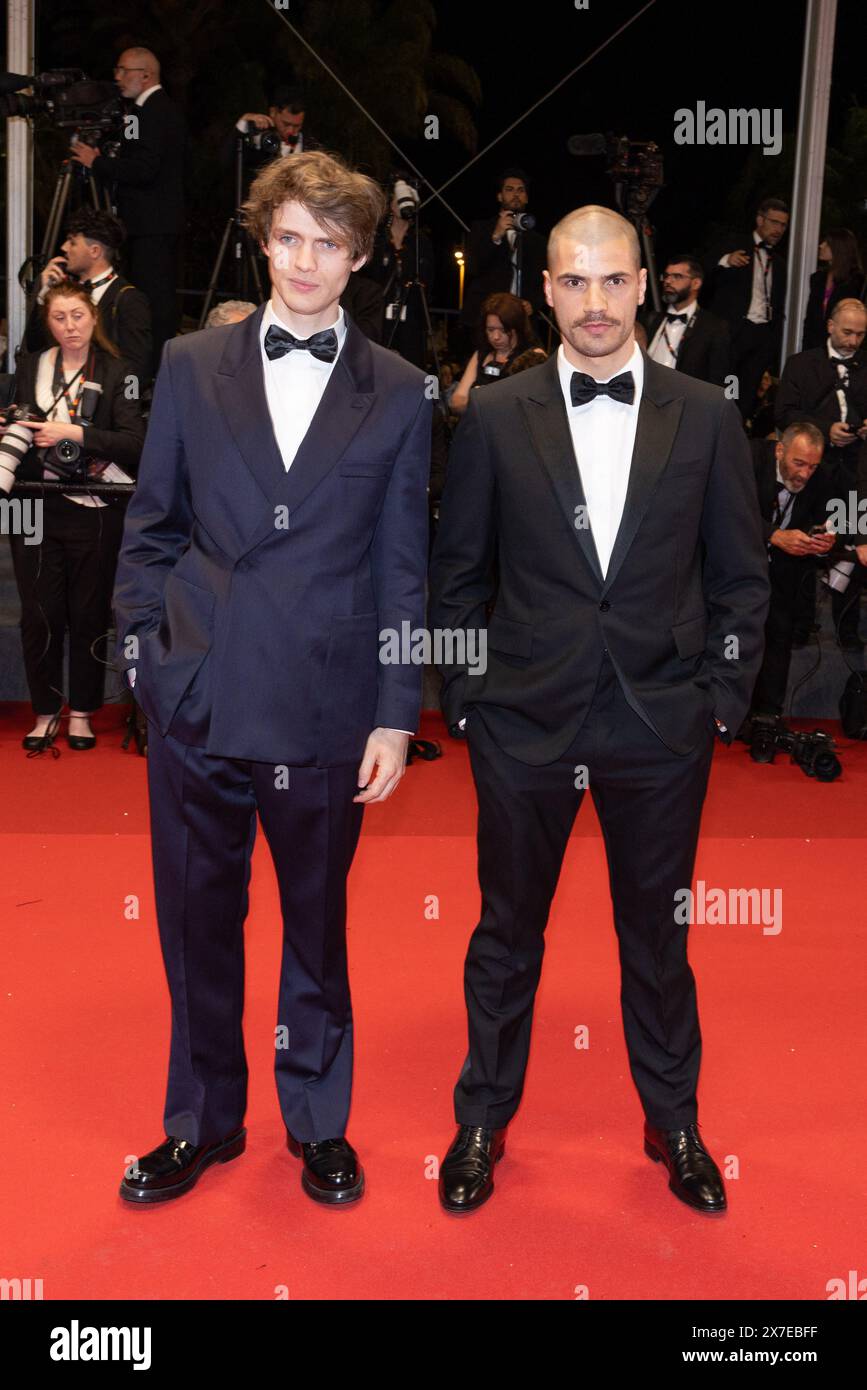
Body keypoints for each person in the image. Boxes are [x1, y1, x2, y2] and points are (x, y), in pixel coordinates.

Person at [429, 204, 770, 1217]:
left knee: (657, 943)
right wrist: (469, 703)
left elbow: (743, 578)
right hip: (524, 723)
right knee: (505, 934)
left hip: (661, 726)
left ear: (645, 284)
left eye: (611, 280)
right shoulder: (495, 413)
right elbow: (458, 578)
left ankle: (674, 1122)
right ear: (545, 288)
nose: (593, 301)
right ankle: (483, 1117)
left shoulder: (706, 414)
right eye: (572, 281)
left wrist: (721, 700)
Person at [111, 150, 431, 1208]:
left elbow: (402, 566)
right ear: (263, 239)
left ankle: (316, 1122)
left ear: (359, 258)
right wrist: (144, 655)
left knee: (315, 926)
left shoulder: (398, 391)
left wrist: (395, 710)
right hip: (199, 696)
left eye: (329, 243)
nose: (305, 260)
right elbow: (150, 527)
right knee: (196, 923)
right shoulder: (192, 363)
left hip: (325, 705)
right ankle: (202, 1120)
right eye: (288, 236)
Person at [5, 282, 145, 751]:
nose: (70, 327)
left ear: (94, 317)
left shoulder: (118, 371)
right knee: (36, 614)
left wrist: (75, 434)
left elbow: (135, 443)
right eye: (60, 318)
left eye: (78, 316)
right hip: (27, 502)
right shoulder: (29, 369)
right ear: (48, 322)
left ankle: (83, 711)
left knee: (88, 611)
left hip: (94, 502)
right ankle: (45, 711)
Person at [72, 47, 186, 367]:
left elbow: (144, 168)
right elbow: (132, 157)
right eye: (117, 70)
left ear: (145, 75)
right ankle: (145, 369)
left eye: (124, 71)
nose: (117, 78)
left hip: (154, 223)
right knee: (147, 296)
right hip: (145, 223)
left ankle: (153, 371)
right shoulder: (138, 112)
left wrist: (98, 163)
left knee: (155, 300)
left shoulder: (156, 111)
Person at [775, 298, 867, 650]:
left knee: (852, 547)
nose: (853, 341)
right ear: (830, 325)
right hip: (811, 474)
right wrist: (827, 430)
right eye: (847, 332)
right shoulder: (802, 364)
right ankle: (799, 624)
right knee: (805, 544)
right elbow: (783, 414)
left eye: (860, 334)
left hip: (854, 474)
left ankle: (846, 629)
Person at [745, 424, 838, 730]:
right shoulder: (748, 458)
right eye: (799, 464)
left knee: (779, 637)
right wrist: (775, 535)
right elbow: (728, 513)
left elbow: (823, 520)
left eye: (812, 466)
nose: (804, 474)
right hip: (733, 568)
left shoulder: (820, 478)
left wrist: (823, 541)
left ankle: (767, 717)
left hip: (783, 573)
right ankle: (725, 712)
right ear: (780, 450)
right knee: (733, 640)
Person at [26, 210, 153, 387]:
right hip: (57, 399)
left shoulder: (128, 299)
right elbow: (34, 348)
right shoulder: (65, 293)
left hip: (104, 407)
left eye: (72, 242)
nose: (64, 248)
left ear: (94, 251)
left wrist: (126, 407)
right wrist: (43, 295)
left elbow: (137, 369)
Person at [704, 198, 789, 419]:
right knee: (727, 387)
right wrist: (726, 260)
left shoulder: (779, 263)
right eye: (774, 222)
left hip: (761, 336)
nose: (778, 229)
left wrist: (773, 343)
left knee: (749, 392)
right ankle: (722, 429)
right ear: (760, 219)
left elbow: (779, 306)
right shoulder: (734, 244)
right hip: (734, 333)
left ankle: (740, 434)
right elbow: (703, 271)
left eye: (783, 225)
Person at [461, 169, 547, 343]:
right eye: (509, 189)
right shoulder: (481, 229)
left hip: (521, 322)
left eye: (520, 190)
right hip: (486, 319)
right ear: (500, 196)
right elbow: (473, 267)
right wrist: (496, 237)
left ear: (527, 198)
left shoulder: (538, 241)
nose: (515, 194)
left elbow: (544, 280)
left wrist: (534, 303)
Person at [359, 176, 435, 369]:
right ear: (391, 205)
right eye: (399, 200)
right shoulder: (377, 239)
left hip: (410, 318)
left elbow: (429, 281)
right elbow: (366, 275)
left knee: (408, 367)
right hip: (378, 314)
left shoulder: (420, 242)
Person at [644, 255, 730, 386]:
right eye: (666, 276)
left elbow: (718, 380)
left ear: (696, 283)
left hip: (686, 402)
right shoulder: (651, 320)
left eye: (677, 276)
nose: (668, 281)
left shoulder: (714, 327)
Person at [450, 293, 535, 414]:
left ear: (517, 328)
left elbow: (527, 407)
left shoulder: (532, 356)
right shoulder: (482, 354)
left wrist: (480, 397)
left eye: (503, 330)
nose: (495, 337)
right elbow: (456, 402)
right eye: (490, 330)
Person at [802, 229, 865, 351]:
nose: (821, 246)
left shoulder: (857, 281)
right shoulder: (817, 279)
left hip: (843, 348)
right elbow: (809, 321)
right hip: (814, 349)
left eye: (827, 243)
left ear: (839, 248)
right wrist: (806, 352)